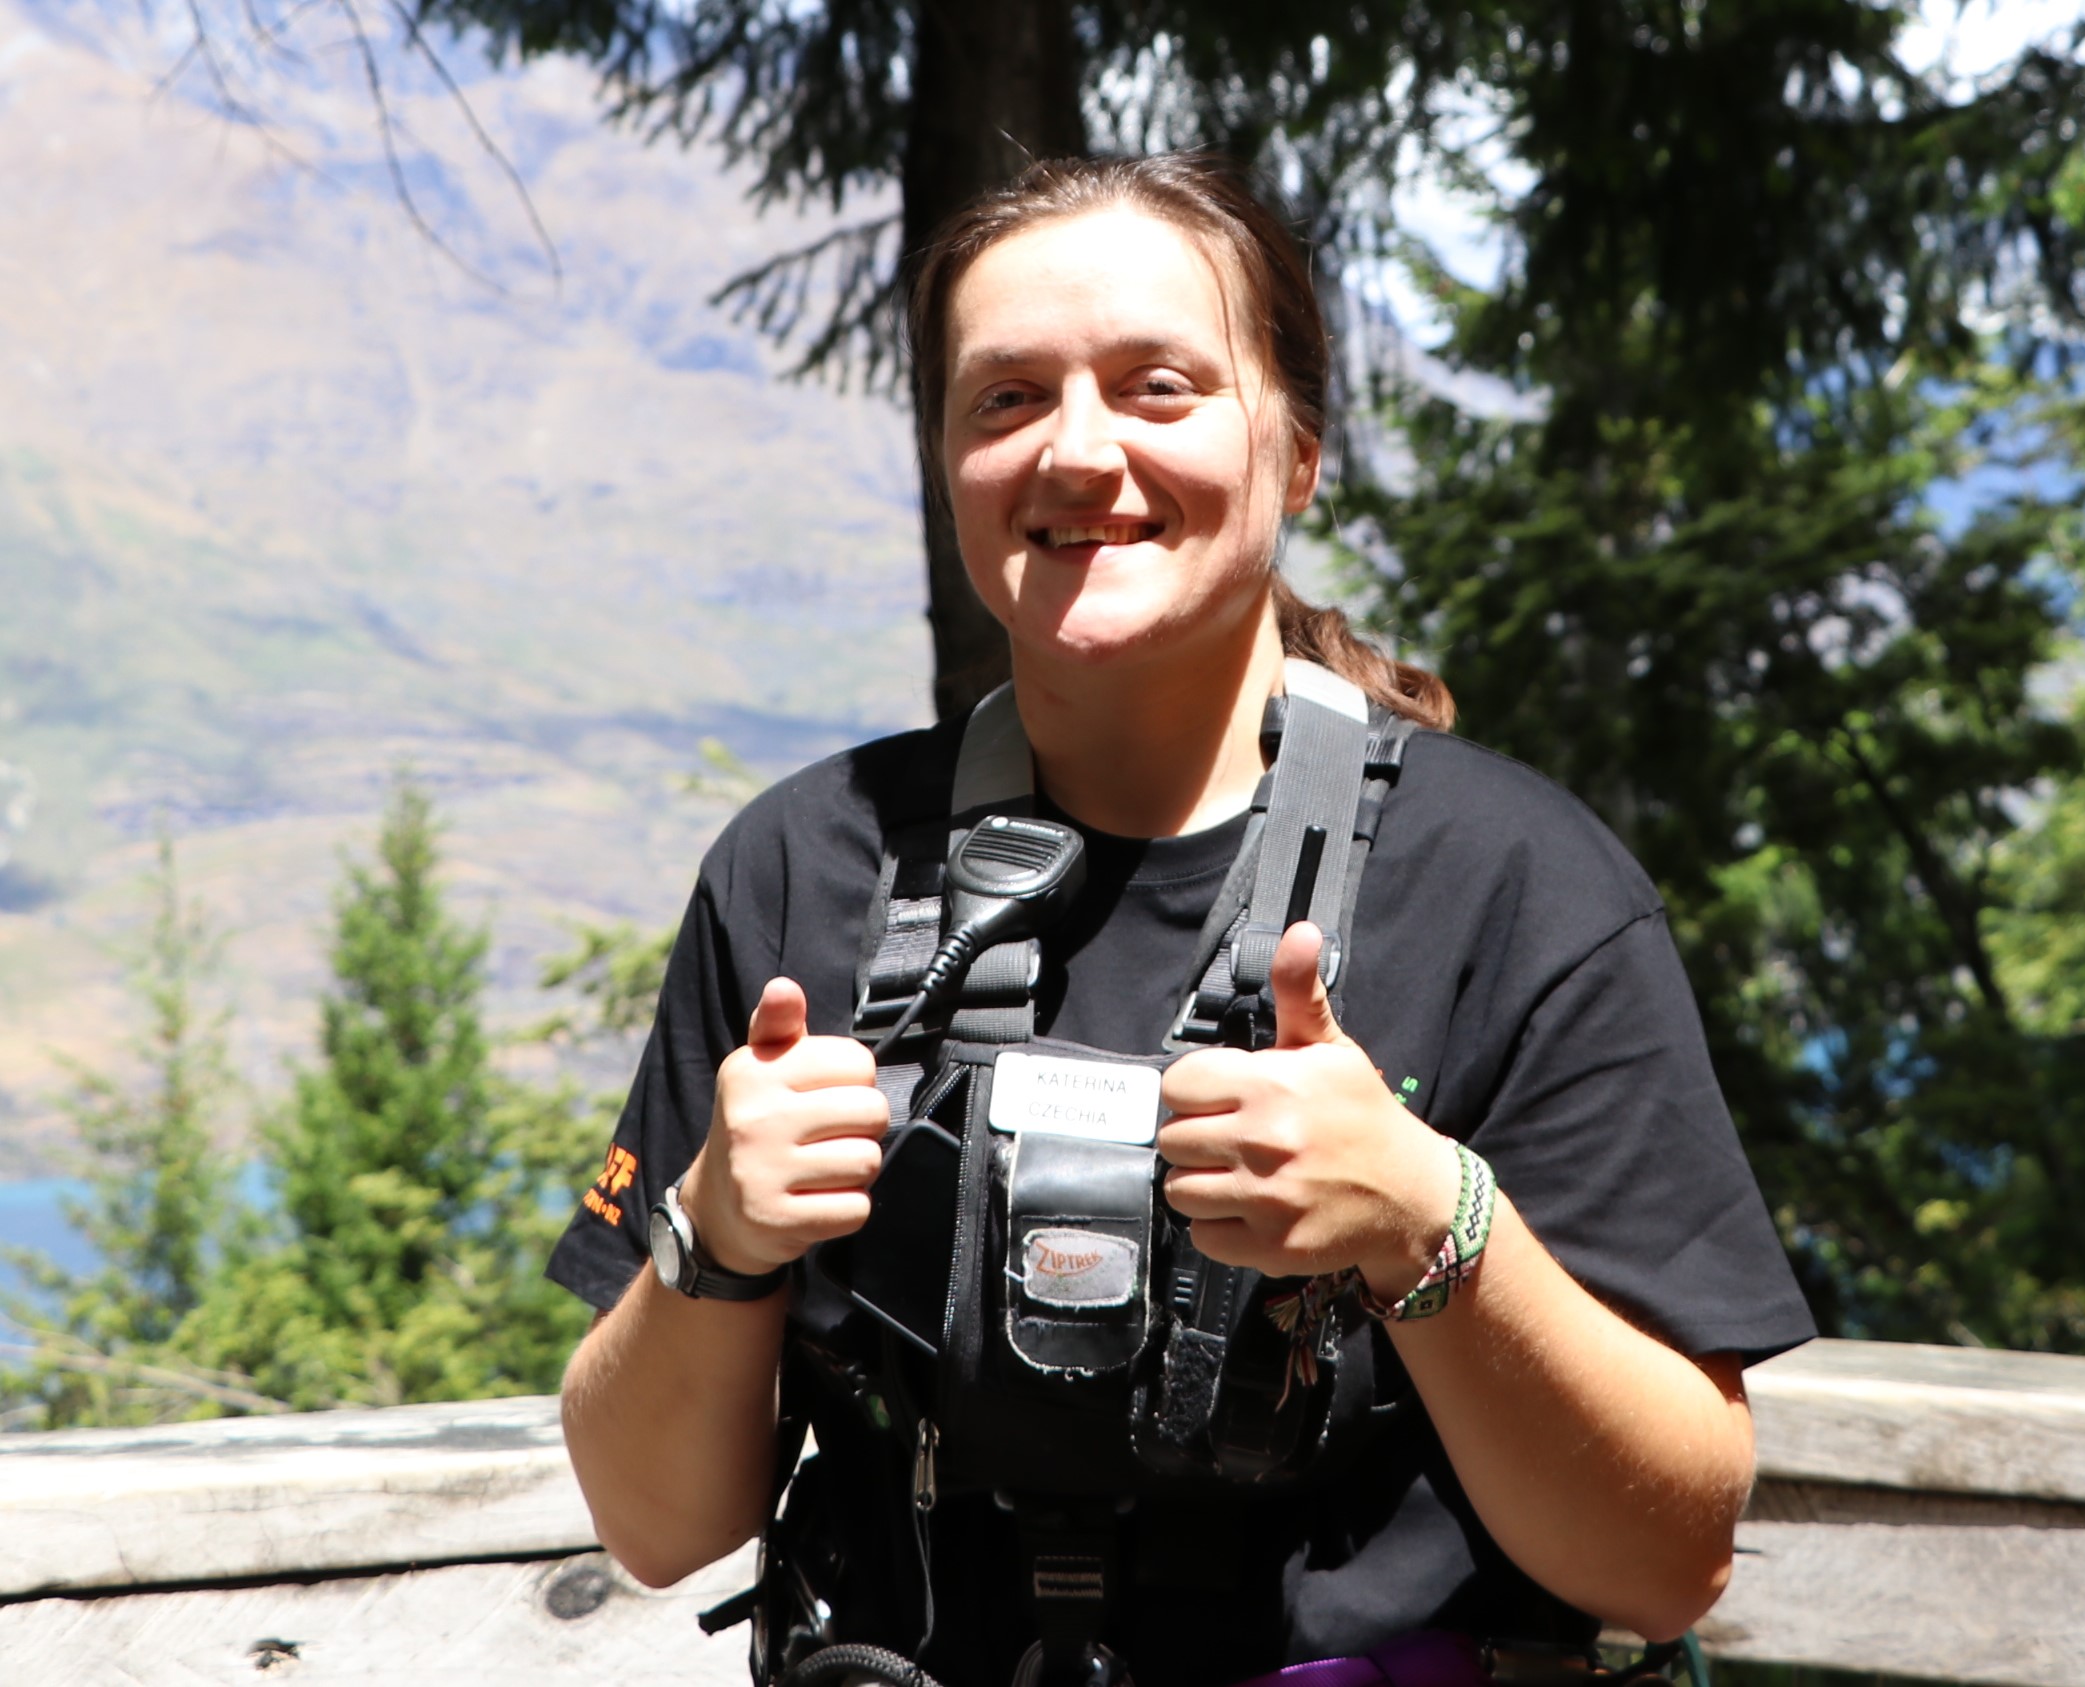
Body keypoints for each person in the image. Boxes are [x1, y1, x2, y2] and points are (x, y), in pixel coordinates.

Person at [545, 152, 1815, 1687]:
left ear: (1297, 452)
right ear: (947, 463)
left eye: (1159, 387)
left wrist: (1430, 1225)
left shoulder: (1512, 889)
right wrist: (717, 1236)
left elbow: (1665, 1562)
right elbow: (655, 1525)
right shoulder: (806, 871)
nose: (1078, 451)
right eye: (1006, 399)